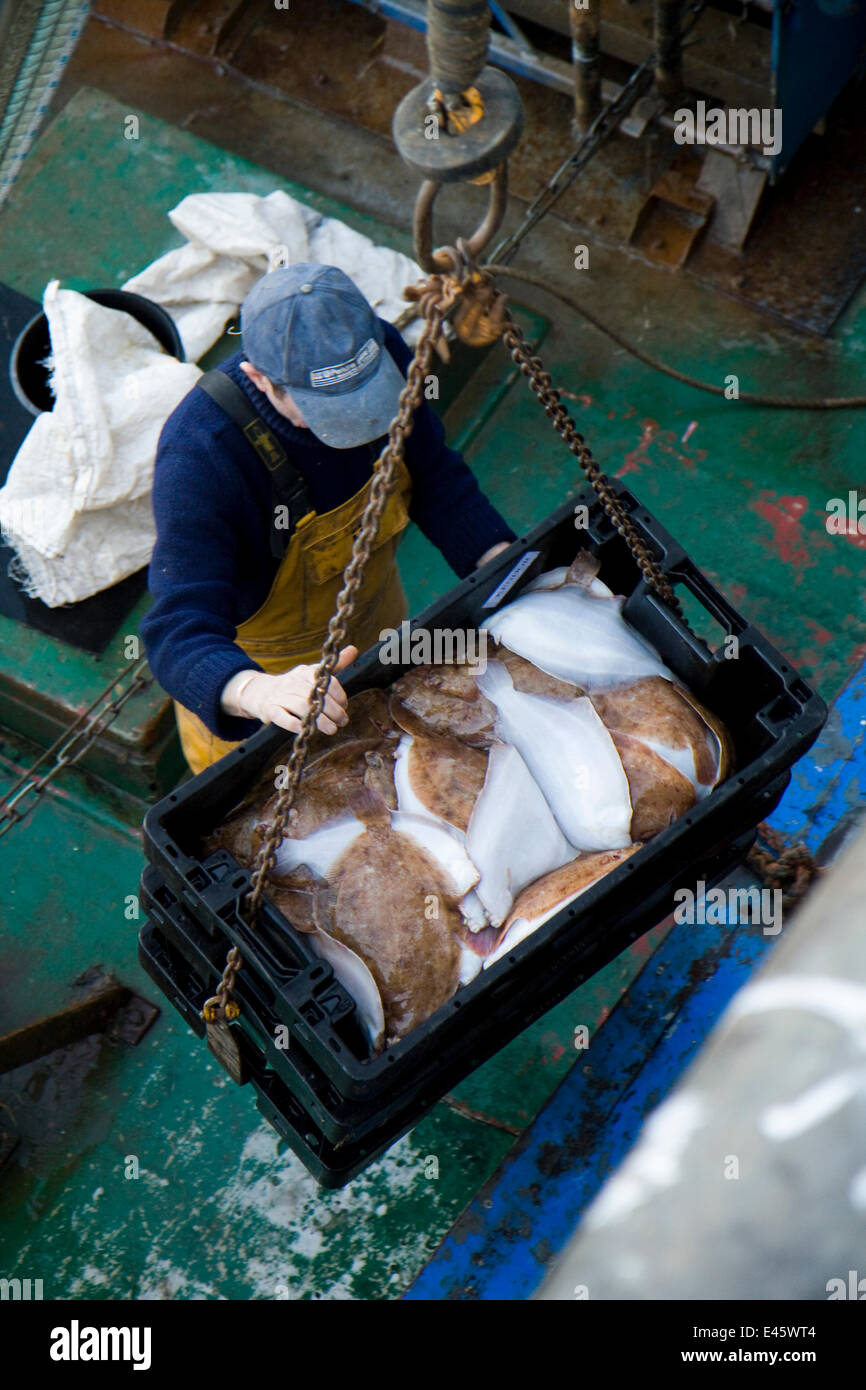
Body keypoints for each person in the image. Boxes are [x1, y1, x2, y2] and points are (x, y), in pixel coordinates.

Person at [141, 263, 515, 774]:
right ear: (259, 379)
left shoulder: (378, 350)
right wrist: (258, 692)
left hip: (378, 617)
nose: (361, 423)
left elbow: (434, 476)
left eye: (368, 398)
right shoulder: (202, 458)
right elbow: (175, 632)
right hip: (274, 689)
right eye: (330, 409)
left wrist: (506, 568)